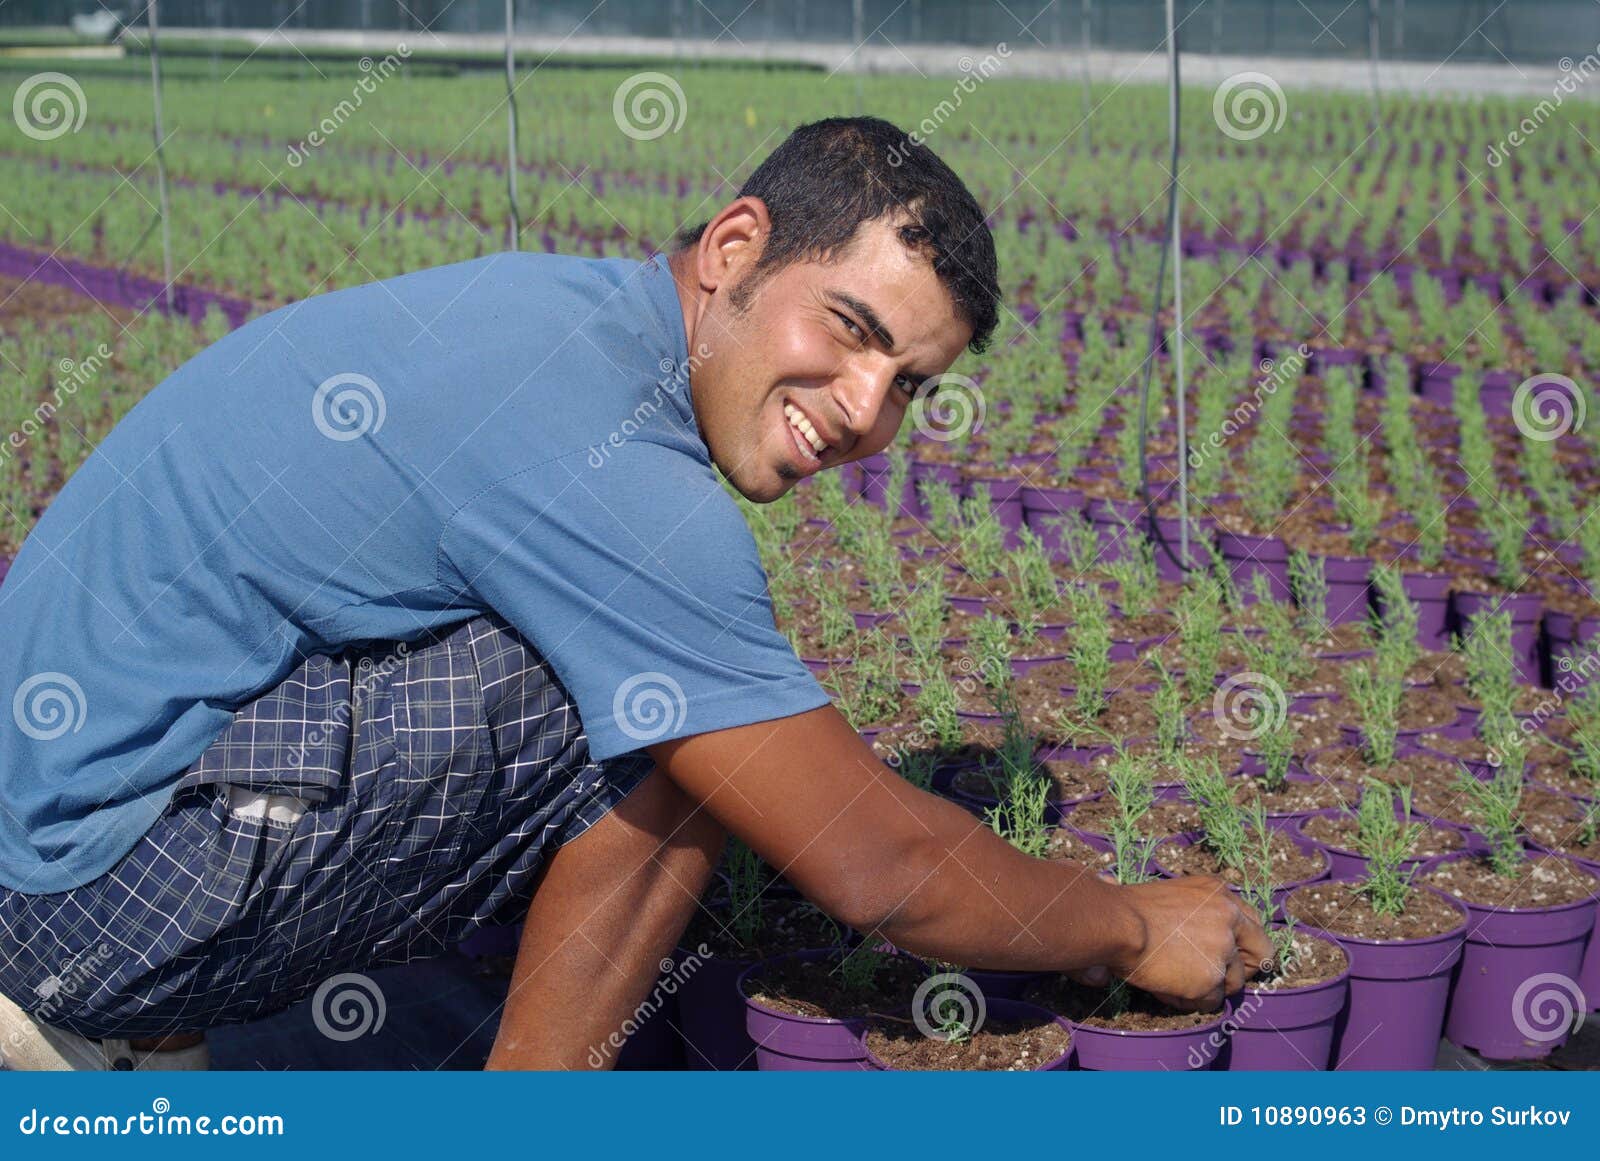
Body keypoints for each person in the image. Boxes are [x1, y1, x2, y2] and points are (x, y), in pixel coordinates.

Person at [0, 116, 1269, 1071]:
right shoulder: (600, 455)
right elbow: (883, 870)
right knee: (665, 722)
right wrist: (1126, 928)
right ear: (733, 249)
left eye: (913, 384)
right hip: (73, 907)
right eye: (848, 329)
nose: (865, 409)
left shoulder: (559, 316)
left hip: (73, 818)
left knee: (667, 696)